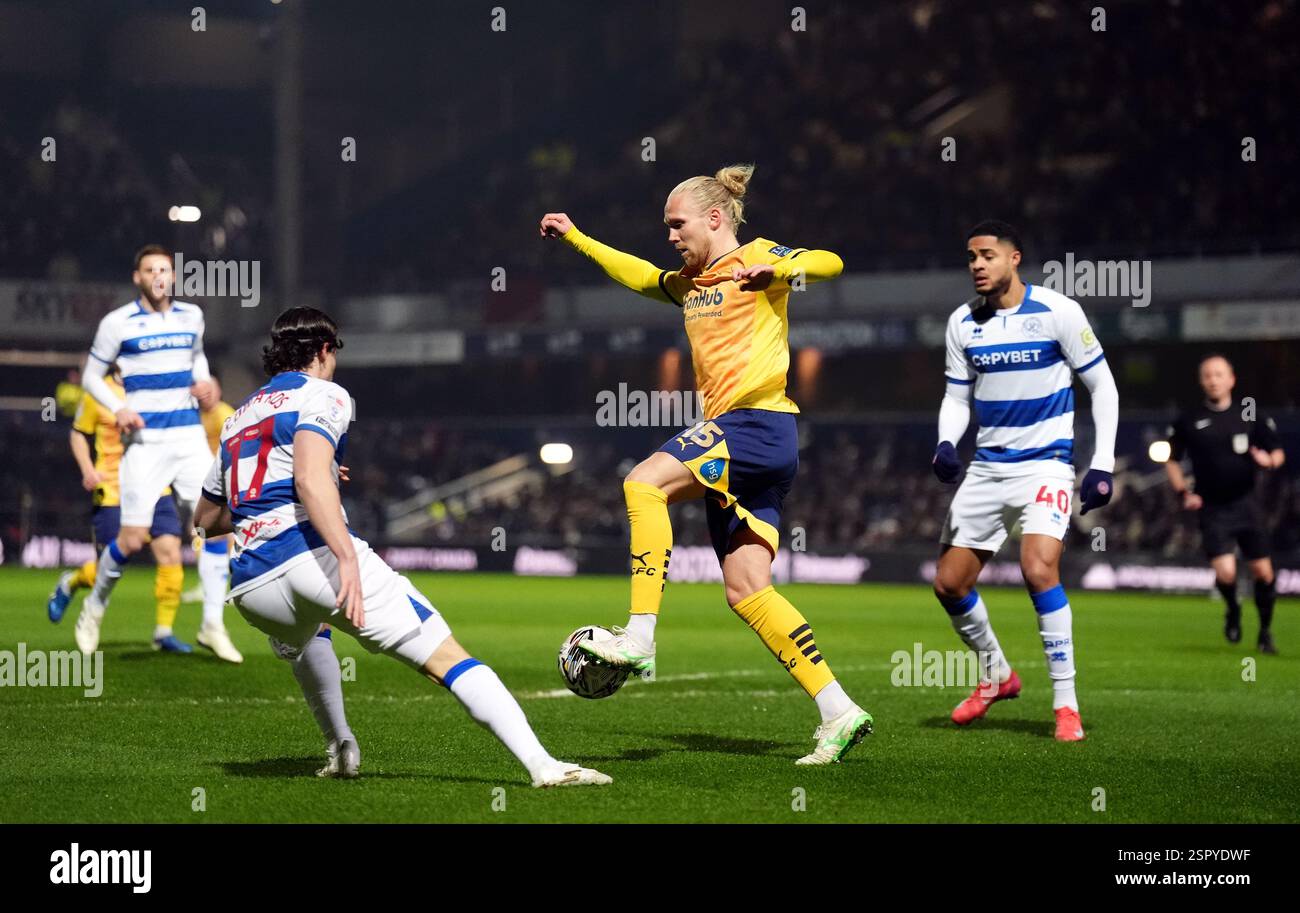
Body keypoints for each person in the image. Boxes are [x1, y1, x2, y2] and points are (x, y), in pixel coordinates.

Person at [540, 164, 873, 765]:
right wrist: (578, 238)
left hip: (756, 424)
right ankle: (839, 710)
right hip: (756, 448)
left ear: (714, 218)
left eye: (677, 224)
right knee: (747, 590)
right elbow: (640, 277)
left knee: (642, 484)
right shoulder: (690, 282)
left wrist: (783, 269)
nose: (669, 236)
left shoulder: (758, 257)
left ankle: (639, 636)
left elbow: (832, 262)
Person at [193, 307, 610, 787]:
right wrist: (345, 555)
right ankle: (545, 767)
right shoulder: (327, 394)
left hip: (252, 588)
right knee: (447, 658)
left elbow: (206, 521)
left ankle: (340, 747)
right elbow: (308, 477)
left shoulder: (236, 418)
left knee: (309, 632)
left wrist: (285, 493)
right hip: (313, 558)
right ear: (325, 351)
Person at [930, 220, 1119, 742]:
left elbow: (1102, 386)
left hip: (1047, 466)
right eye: (971, 257)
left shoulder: (1058, 312)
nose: (976, 265)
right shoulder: (963, 323)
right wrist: (947, 442)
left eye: (987, 255)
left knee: (1038, 569)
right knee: (949, 583)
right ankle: (997, 675)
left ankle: (1066, 705)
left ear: (1014, 259)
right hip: (988, 468)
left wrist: (1100, 464)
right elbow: (956, 397)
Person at [74, 245, 218, 655]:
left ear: (172, 276)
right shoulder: (117, 323)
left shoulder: (192, 316)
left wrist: (205, 384)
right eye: (150, 269)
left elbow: (198, 357)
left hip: (189, 437)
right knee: (133, 539)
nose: (158, 275)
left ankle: (211, 624)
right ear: (137, 277)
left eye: (165, 269)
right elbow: (90, 376)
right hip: (145, 443)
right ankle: (94, 606)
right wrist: (118, 407)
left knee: (220, 524)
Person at [46, 363, 192, 653]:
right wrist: (88, 469)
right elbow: (77, 433)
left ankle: (163, 632)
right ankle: (71, 582)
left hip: (154, 485)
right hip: (113, 488)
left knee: (171, 553)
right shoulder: (97, 393)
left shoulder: (154, 387)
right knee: (109, 565)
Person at [1165, 354, 1286, 653]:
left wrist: (1267, 459)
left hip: (1247, 504)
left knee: (1264, 573)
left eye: (1219, 374)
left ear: (1231, 379)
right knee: (1226, 573)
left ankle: (1265, 632)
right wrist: (1184, 492)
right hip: (1213, 507)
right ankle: (1233, 608)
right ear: (1201, 380)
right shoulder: (1188, 419)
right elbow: (1171, 459)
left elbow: (1278, 452)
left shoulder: (1249, 413)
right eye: (1208, 375)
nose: (1213, 380)